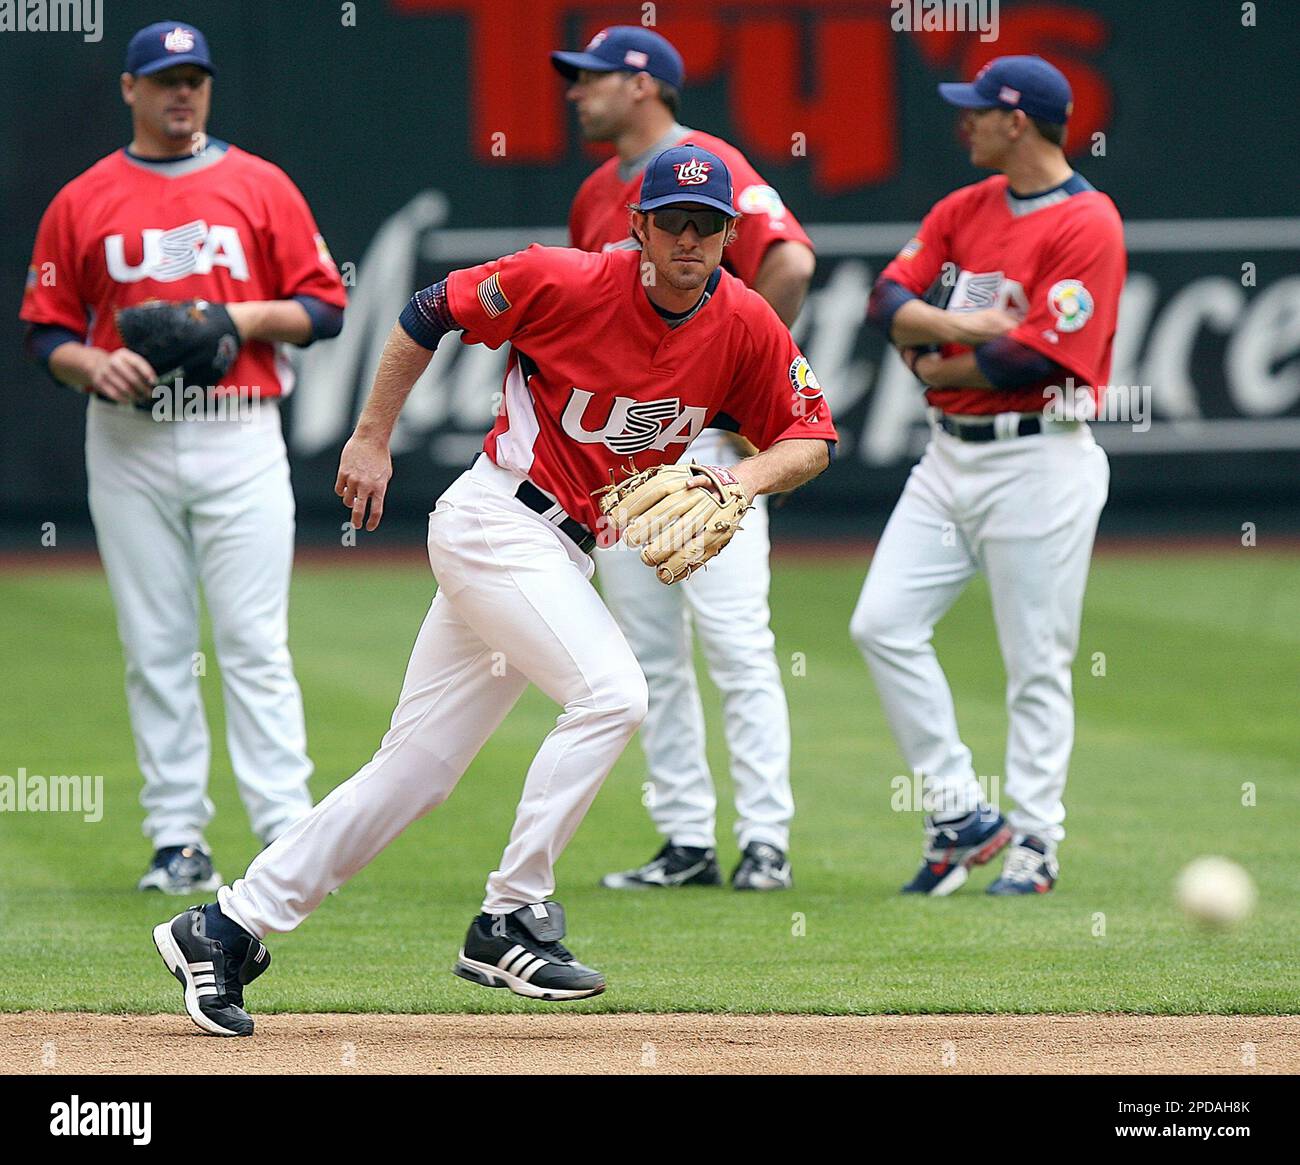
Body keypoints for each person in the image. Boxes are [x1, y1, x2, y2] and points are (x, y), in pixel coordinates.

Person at [151, 145, 837, 1035]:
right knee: (616, 694)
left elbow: (812, 434)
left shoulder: (744, 323)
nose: (689, 240)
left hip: (564, 548)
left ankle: (224, 926)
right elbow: (427, 309)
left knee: (415, 773)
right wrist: (370, 435)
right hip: (496, 521)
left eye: (708, 227)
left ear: (729, 236)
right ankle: (511, 914)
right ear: (639, 226)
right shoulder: (565, 280)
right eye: (672, 221)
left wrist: (736, 483)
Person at [19, 21, 347, 894]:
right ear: (129, 88)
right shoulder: (83, 198)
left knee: (253, 641)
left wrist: (236, 319)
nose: (182, 93)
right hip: (127, 438)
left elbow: (324, 308)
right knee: (156, 643)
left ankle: (287, 829)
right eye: (164, 78)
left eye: (195, 78)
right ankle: (176, 838)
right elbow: (45, 326)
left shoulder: (258, 185)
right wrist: (91, 362)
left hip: (239, 428)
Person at [552, 25, 816, 891]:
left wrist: (734, 385)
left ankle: (766, 838)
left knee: (738, 641)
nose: (575, 92)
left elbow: (792, 259)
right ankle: (686, 841)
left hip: (702, 444)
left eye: (591, 79)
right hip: (622, 447)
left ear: (642, 85)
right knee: (646, 653)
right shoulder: (601, 190)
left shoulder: (711, 161)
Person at [853, 56, 1125, 896]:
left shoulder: (1086, 221)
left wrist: (938, 361)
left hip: (1039, 456)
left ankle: (1036, 840)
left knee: (1035, 658)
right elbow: (884, 296)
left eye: (977, 111)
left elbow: (1036, 354)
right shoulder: (963, 207)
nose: (962, 122)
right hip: (949, 457)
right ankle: (961, 813)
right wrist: (956, 324)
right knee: (881, 623)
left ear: (1019, 121)